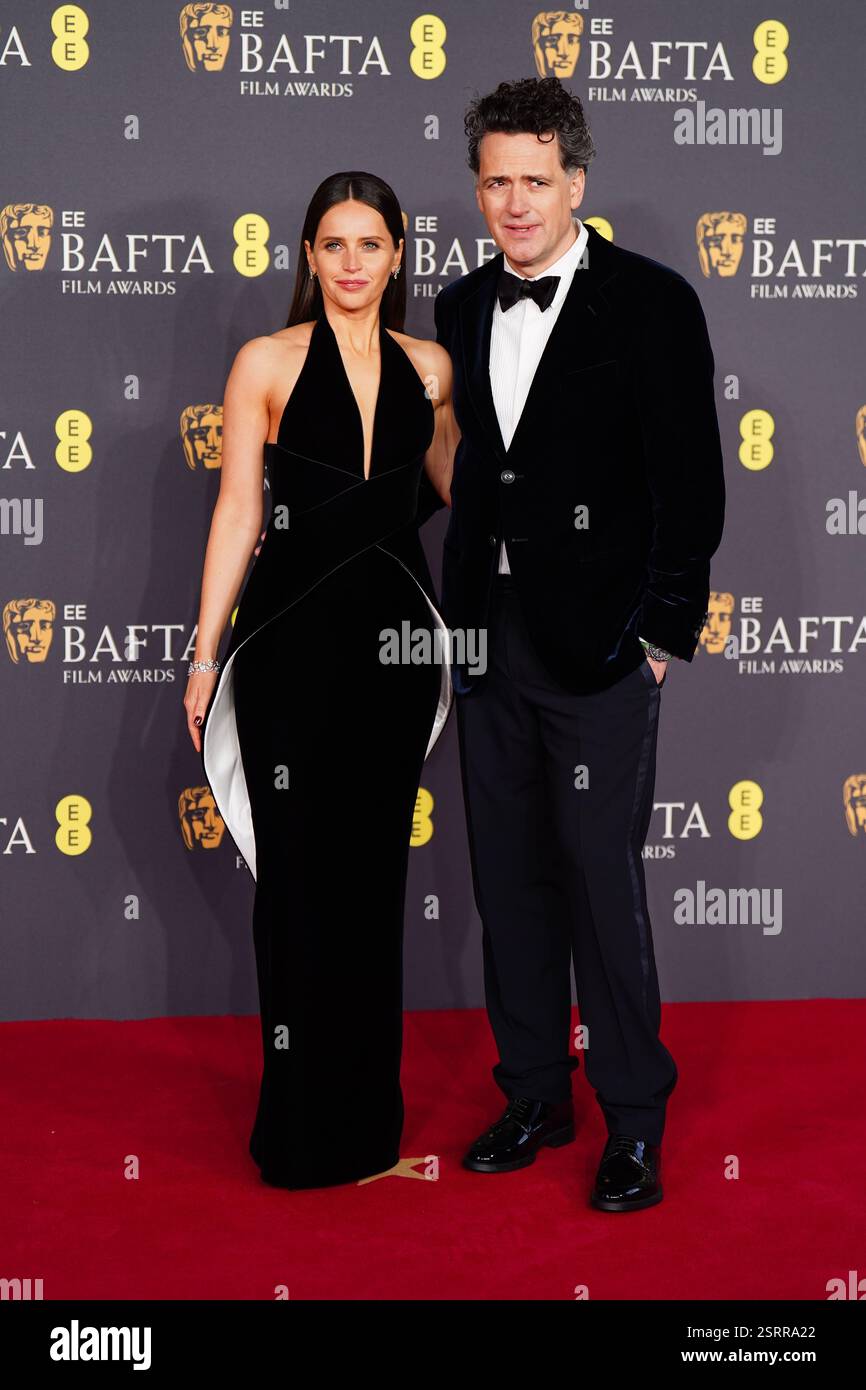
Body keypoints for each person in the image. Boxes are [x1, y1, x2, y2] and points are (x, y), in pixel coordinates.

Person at [432, 77, 725, 1210]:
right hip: (490, 640)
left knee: (602, 884)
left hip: (601, 646)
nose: (514, 203)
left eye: (534, 182)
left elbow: (689, 486)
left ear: (576, 184)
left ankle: (634, 1119)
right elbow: (460, 464)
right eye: (496, 181)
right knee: (507, 881)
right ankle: (533, 1096)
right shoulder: (460, 307)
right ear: (477, 187)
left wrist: (656, 633)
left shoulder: (651, 301)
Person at [185, 171, 458, 1189]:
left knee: (369, 881)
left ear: (396, 256)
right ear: (306, 256)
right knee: (297, 885)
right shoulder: (264, 361)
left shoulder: (431, 366)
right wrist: (208, 651)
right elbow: (237, 515)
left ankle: (366, 1131)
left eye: (371, 245)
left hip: (393, 650)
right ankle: (300, 1133)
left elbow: (454, 490)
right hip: (293, 646)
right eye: (333, 244)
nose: (351, 263)